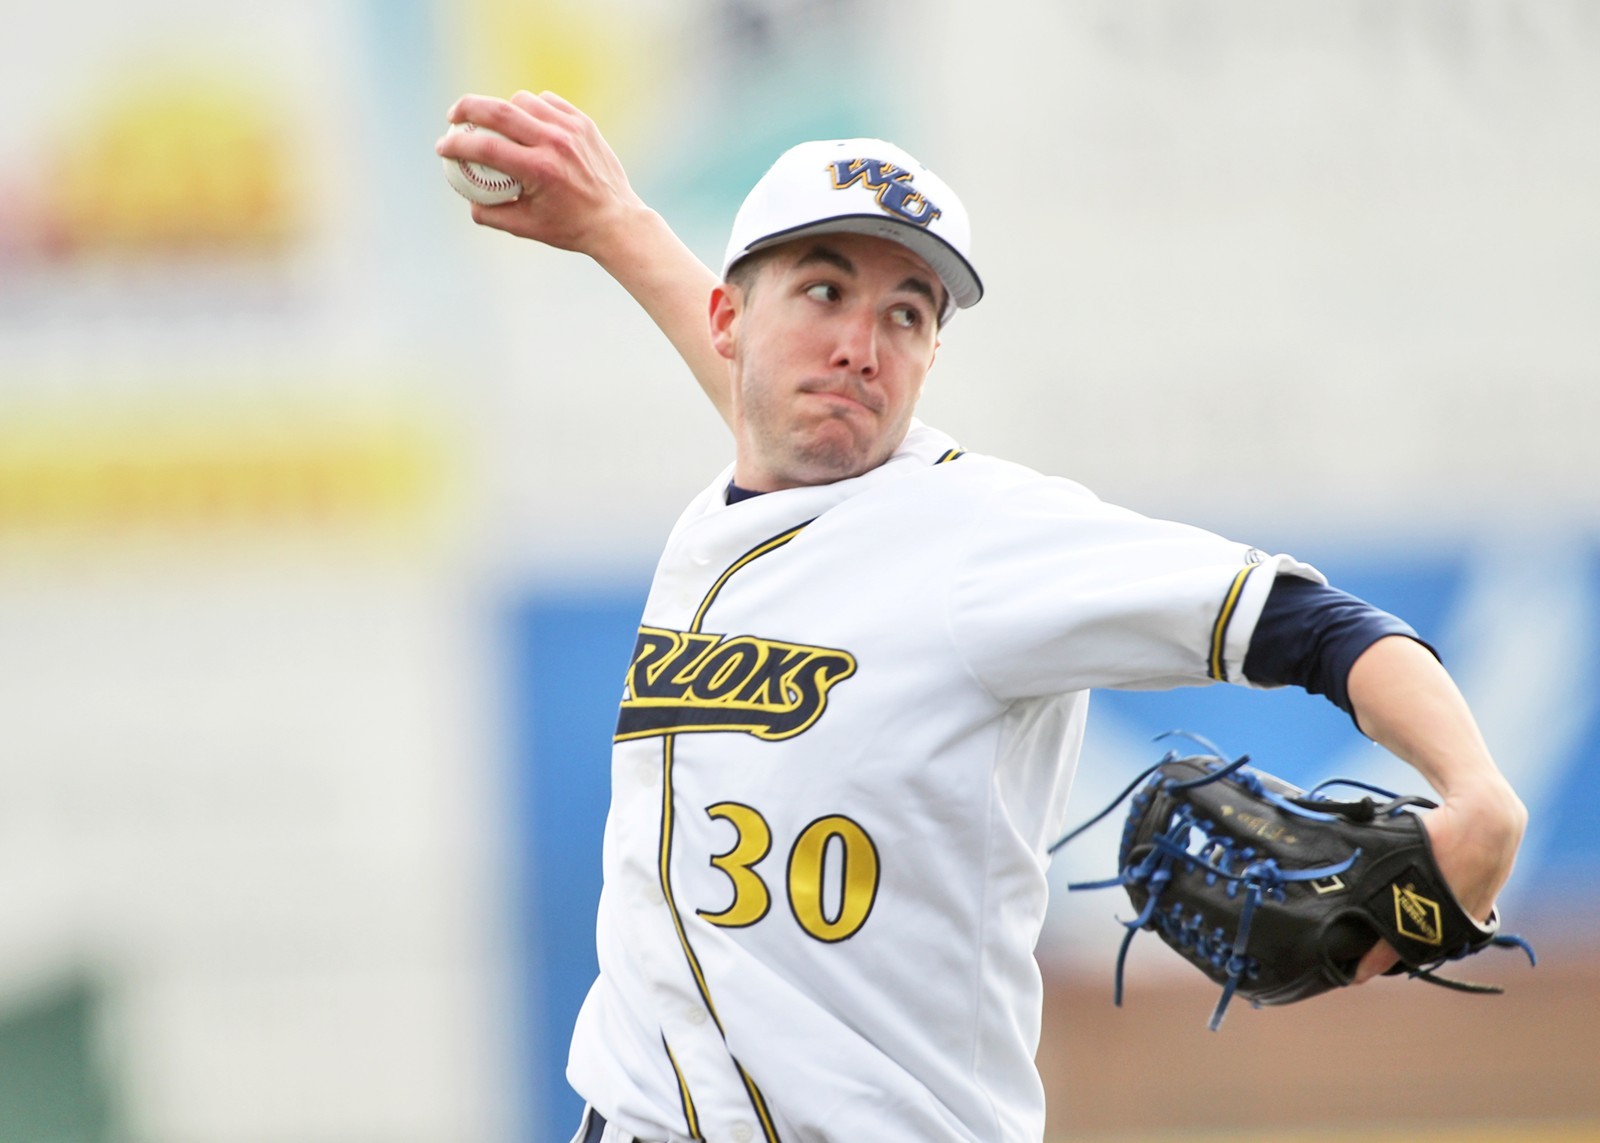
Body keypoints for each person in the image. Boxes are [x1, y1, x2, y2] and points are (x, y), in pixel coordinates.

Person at [438, 92, 1526, 1143]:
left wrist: (1479, 800)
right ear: (730, 318)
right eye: (824, 292)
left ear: (930, 355)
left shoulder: (981, 539)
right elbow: (761, 396)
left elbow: (1309, 622)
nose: (861, 345)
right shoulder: (744, 497)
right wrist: (615, 227)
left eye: (906, 314)